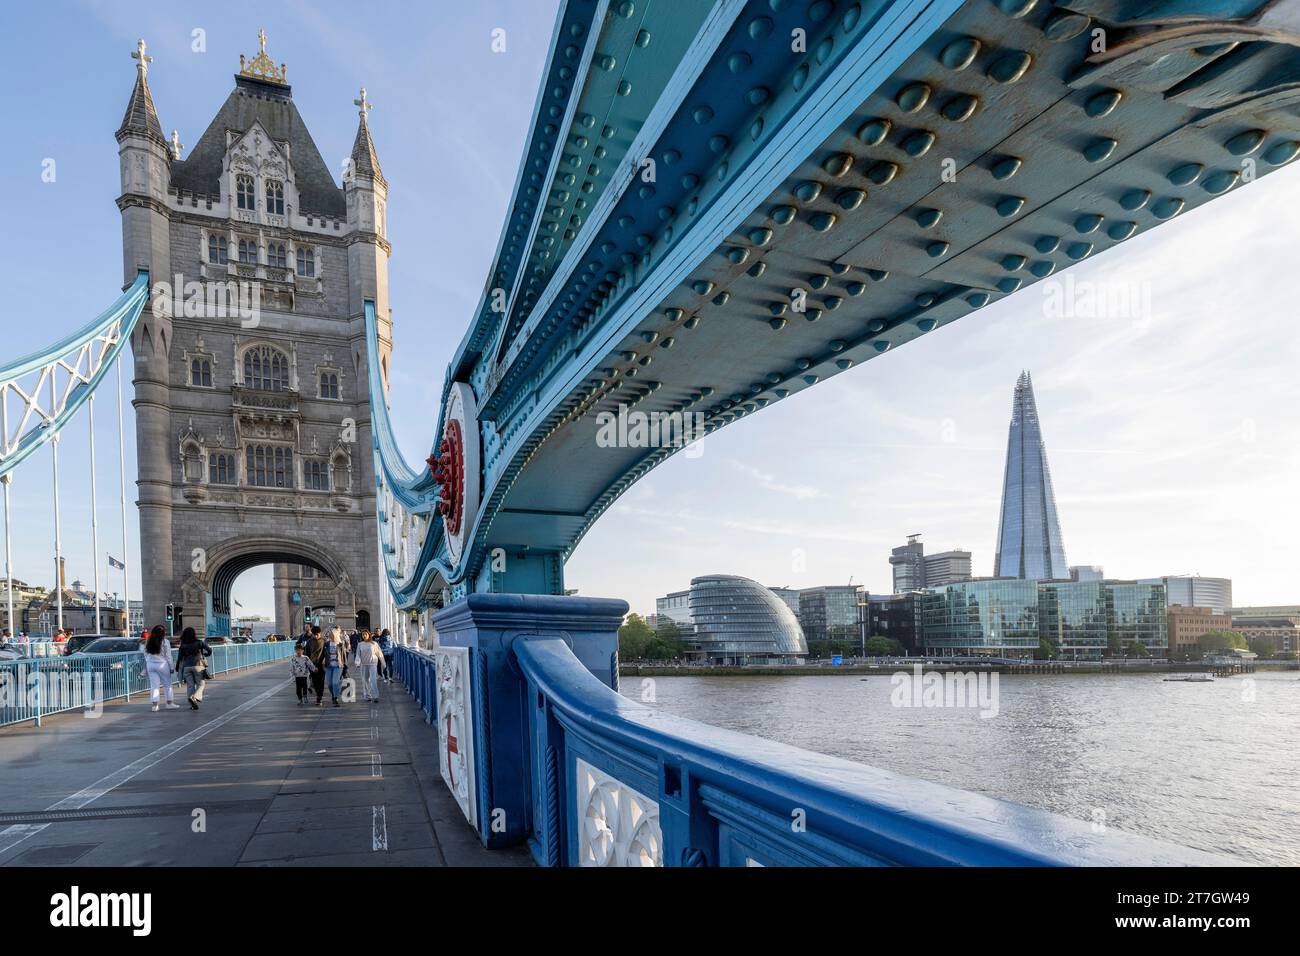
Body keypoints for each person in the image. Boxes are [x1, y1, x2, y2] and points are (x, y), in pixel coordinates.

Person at [143, 625, 179, 712]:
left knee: (154, 685)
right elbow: (168, 656)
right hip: (162, 665)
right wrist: (171, 667)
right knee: (167, 684)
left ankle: (155, 706)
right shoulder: (165, 642)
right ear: (163, 633)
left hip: (151, 664)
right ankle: (169, 703)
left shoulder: (148, 641)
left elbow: (145, 653)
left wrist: (148, 661)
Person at [175, 627, 212, 710]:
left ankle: (192, 705)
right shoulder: (199, 643)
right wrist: (205, 655)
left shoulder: (183, 646)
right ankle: (194, 697)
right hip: (198, 666)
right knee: (201, 684)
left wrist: (177, 668)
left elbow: (180, 658)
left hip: (186, 668)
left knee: (190, 686)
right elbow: (209, 650)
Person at [322, 627, 347, 706]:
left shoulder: (340, 645)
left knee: (335, 683)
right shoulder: (326, 644)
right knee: (329, 684)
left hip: (338, 666)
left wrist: (345, 668)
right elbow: (322, 655)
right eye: (330, 634)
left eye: (332, 634)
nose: (331, 635)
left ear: (336, 635)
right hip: (328, 666)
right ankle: (333, 695)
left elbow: (344, 656)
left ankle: (335, 698)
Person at [354, 631, 382, 702]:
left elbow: (379, 653)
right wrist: (357, 662)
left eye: (365, 634)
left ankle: (375, 696)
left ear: (368, 635)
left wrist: (383, 663)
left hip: (373, 664)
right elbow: (358, 654)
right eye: (363, 634)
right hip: (364, 664)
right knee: (365, 680)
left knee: (373, 680)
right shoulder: (360, 644)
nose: (364, 636)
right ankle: (367, 695)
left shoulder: (374, 643)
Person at [305, 626, 327, 705]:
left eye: (317, 634)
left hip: (322, 664)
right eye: (314, 634)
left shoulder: (324, 641)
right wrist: (308, 664)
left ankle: (319, 697)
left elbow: (326, 653)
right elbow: (307, 654)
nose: (316, 636)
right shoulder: (309, 642)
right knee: (314, 682)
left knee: (321, 681)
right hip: (312, 664)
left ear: (320, 633)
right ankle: (318, 694)